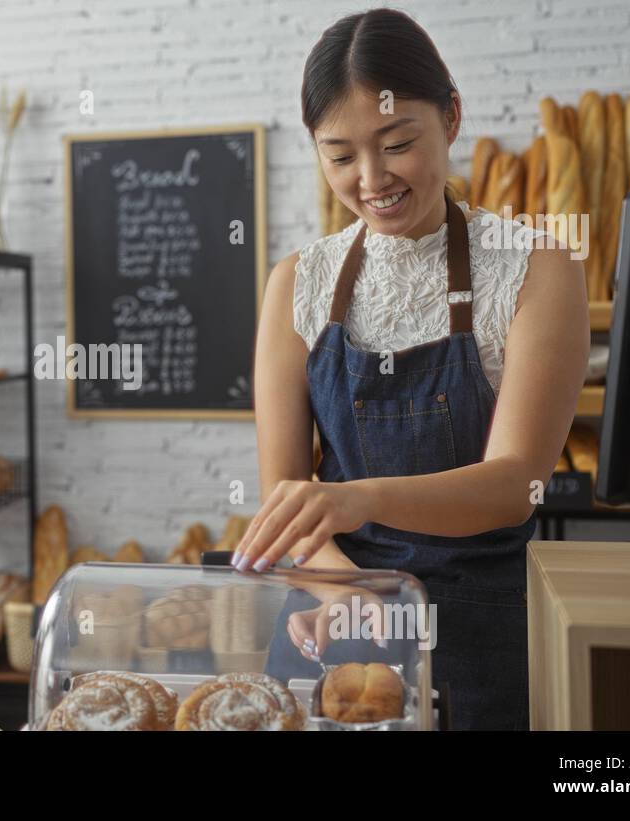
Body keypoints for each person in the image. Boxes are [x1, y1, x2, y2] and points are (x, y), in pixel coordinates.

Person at [235, 8, 588, 729]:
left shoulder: (536, 269)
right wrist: (344, 592)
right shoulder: (295, 283)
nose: (372, 179)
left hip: (478, 639)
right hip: (331, 622)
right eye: (339, 156)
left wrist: (356, 497)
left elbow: (516, 483)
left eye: (397, 143)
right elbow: (284, 496)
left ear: (451, 116)